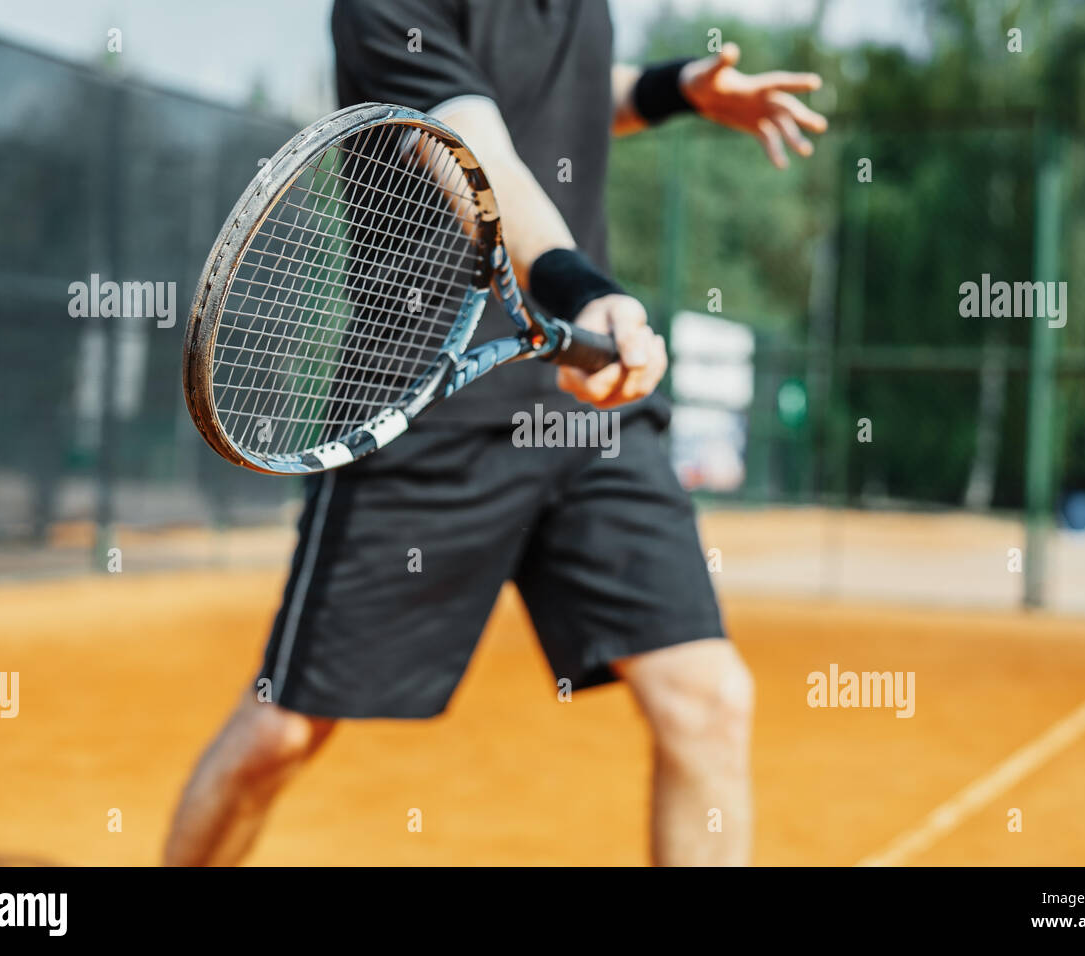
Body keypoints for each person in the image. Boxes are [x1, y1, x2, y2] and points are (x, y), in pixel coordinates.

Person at [164, 0, 826, 867]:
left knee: (706, 698)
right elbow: (481, 157)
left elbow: (566, 99)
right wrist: (579, 293)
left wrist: (674, 92)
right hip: (427, 409)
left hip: (586, 418)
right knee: (281, 733)